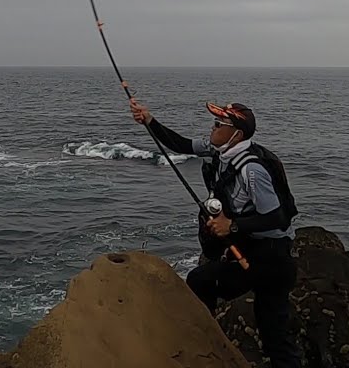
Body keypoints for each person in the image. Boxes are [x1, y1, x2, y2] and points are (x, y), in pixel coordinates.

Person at [129, 97, 301, 368]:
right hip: (252, 250)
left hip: (271, 258)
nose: (212, 128)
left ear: (237, 134)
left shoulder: (252, 169)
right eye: (215, 122)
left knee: (202, 281)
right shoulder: (218, 149)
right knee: (273, 333)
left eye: (219, 124)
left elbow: (277, 218)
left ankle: (205, 349)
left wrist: (231, 226)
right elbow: (181, 145)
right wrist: (149, 121)